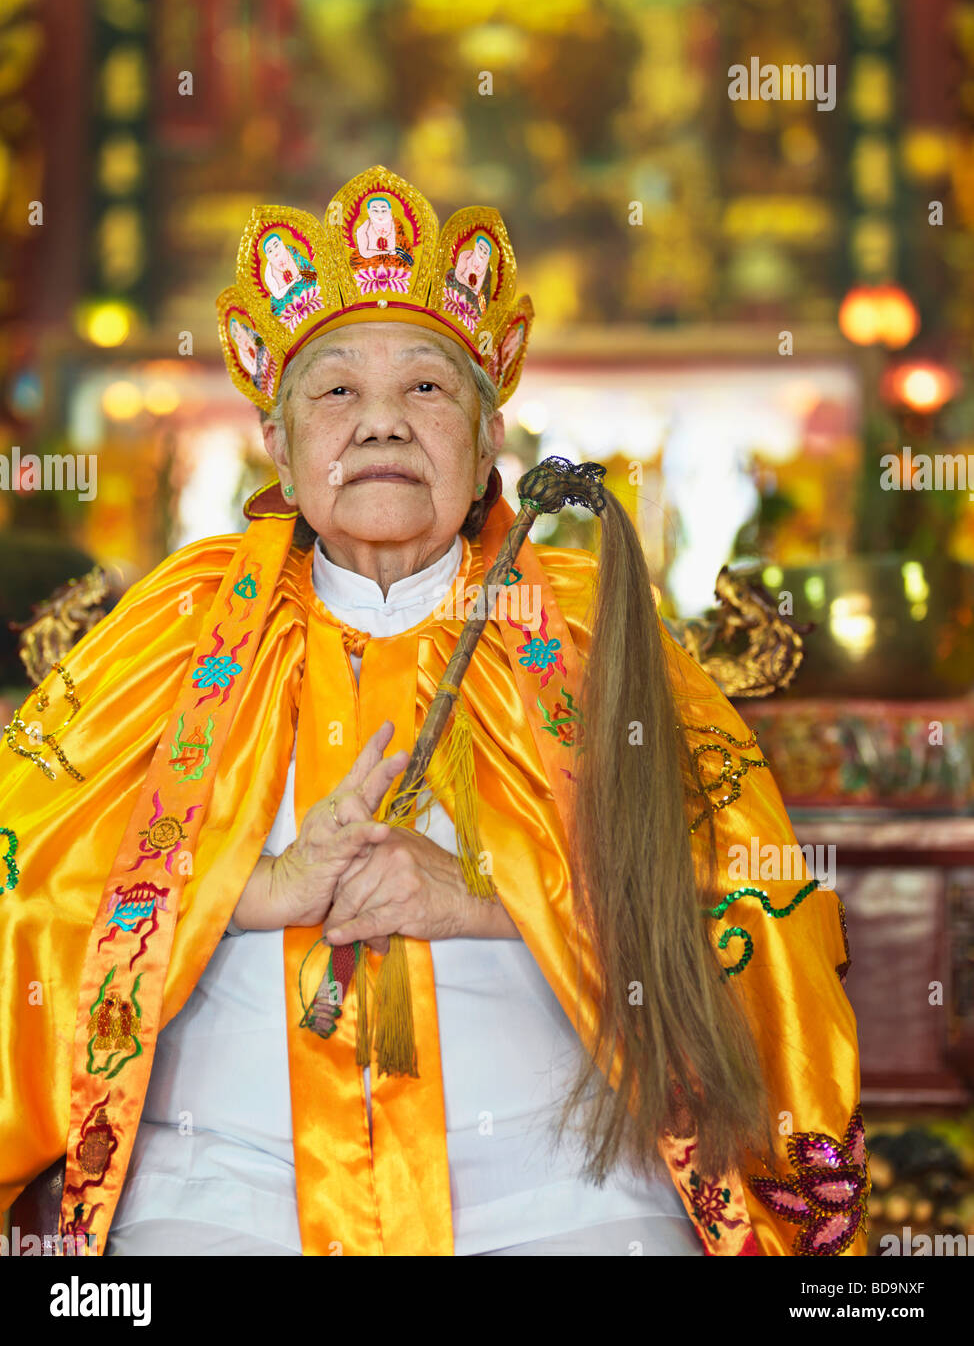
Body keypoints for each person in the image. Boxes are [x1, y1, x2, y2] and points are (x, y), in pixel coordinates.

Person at [0, 166, 866, 1257]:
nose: (379, 426)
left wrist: (487, 894)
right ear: (278, 442)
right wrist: (245, 888)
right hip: (220, 1183)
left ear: (486, 439)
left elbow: (744, 896)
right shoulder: (177, 627)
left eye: (424, 390)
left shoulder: (590, 633)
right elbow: (25, 893)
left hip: (566, 1188)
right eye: (333, 393)